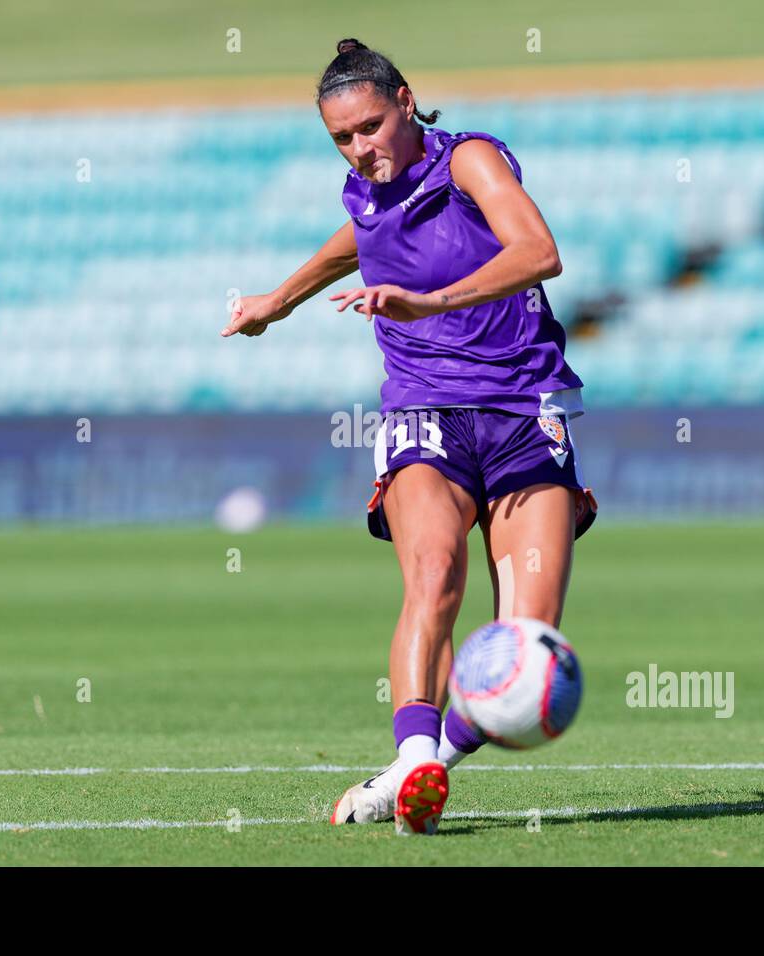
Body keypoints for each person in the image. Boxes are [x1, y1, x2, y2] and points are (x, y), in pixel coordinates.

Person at [222, 38, 596, 835]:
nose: (360, 150)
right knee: (433, 574)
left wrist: (433, 304)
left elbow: (540, 253)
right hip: (424, 412)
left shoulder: (471, 162)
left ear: (404, 102)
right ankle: (416, 756)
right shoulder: (364, 189)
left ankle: (417, 769)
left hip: (526, 410)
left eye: (368, 128)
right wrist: (279, 300)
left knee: (528, 646)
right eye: (341, 140)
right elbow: (355, 236)